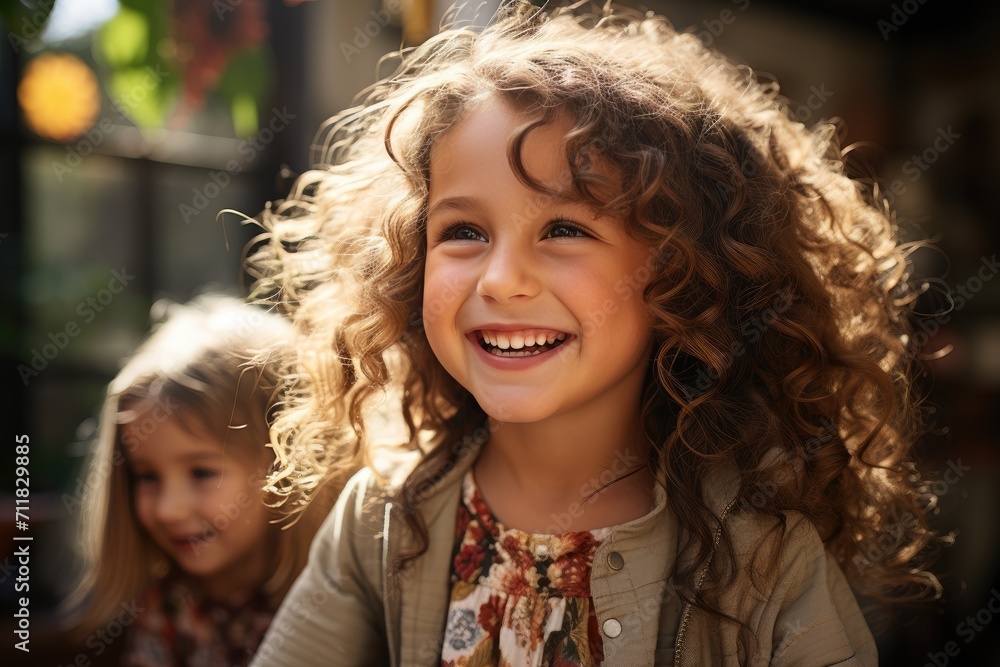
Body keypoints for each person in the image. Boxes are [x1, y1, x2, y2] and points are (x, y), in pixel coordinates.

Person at [247, 2, 941, 665]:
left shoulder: (763, 556)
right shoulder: (381, 521)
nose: (500, 279)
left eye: (565, 229)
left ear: (681, 274)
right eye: (463, 231)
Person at [65, 294, 334, 666]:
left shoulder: (338, 602)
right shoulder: (167, 603)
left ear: (292, 460)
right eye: (146, 476)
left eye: (203, 473)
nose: (169, 510)